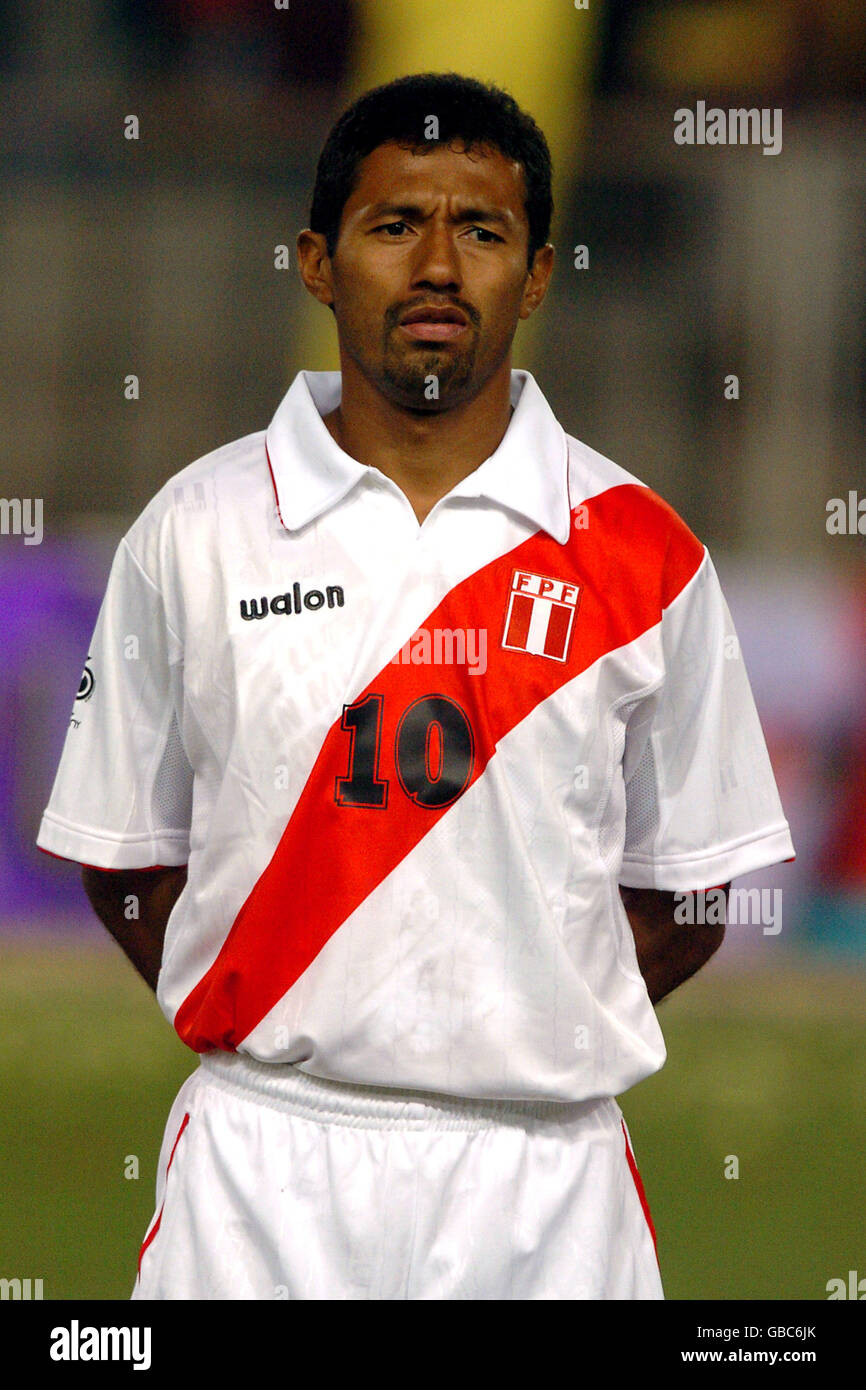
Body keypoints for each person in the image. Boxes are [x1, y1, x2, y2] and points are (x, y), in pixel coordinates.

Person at [37, 72, 795, 1300]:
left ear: (537, 273)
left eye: (481, 231)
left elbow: (687, 892)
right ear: (317, 263)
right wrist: (293, 1009)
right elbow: (123, 859)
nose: (438, 265)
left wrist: (509, 1021)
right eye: (396, 225)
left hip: (548, 1195)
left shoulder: (646, 557)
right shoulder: (194, 530)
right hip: (255, 1179)